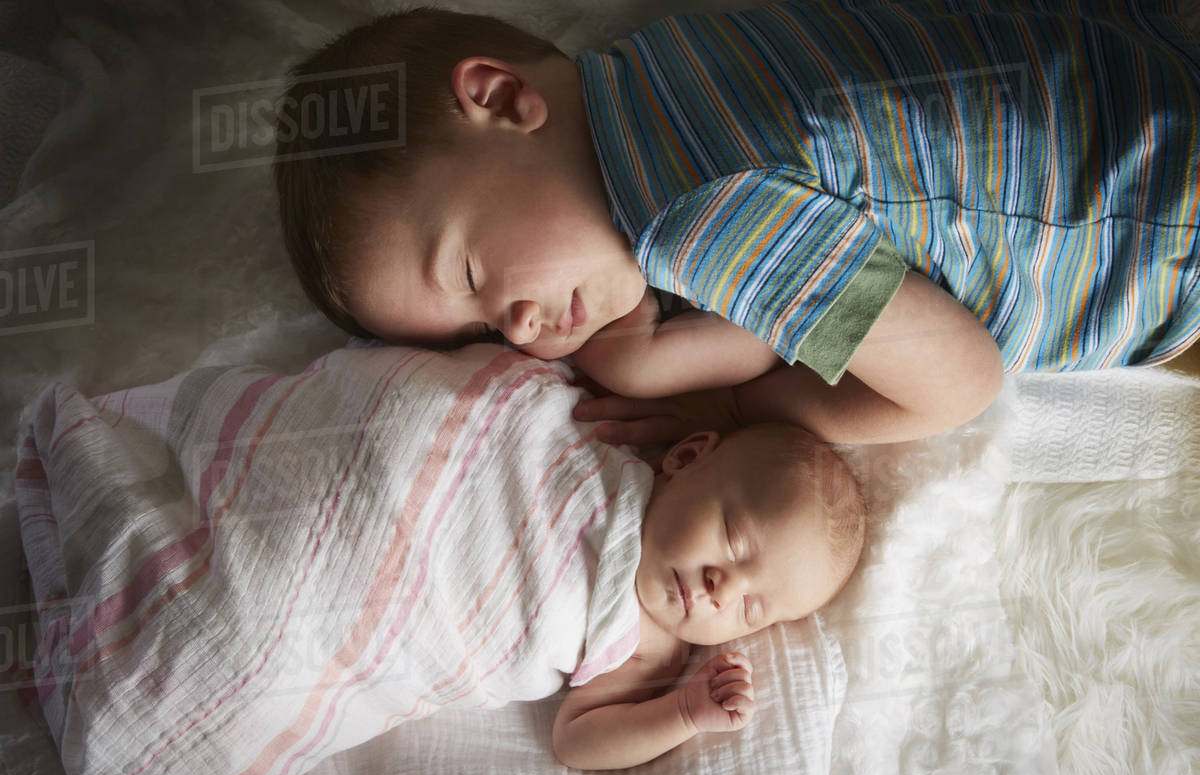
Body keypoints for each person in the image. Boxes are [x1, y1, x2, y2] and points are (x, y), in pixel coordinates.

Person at [273, 2, 1200, 446]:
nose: (517, 334)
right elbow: (801, 272)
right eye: (479, 334)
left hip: (1154, 236)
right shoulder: (673, 51)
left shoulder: (693, 221)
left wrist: (743, 410)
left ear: (503, 97)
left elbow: (958, 381)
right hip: (1139, 68)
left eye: (474, 274)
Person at [551, 421, 866, 769]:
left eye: (749, 609)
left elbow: (574, 740)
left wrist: (684, 713)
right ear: (686, 458)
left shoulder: (648, 648)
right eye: (734, 542)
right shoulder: (615, 459)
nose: (724, 592)